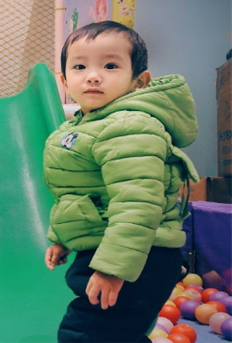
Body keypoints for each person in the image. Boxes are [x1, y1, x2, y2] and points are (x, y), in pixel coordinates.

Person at [43, 20, 199, 343]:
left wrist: (113, 269)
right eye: (80, 66)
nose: (93, 75)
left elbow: (137, 203)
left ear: (139, 82)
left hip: (138, 256)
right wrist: (63, 238)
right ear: (64, 79)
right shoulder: (83, 127)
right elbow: (78, 191)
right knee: (115, 333)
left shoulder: (130, 126)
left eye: (110, 65)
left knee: (85, 333)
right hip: (114, 251)